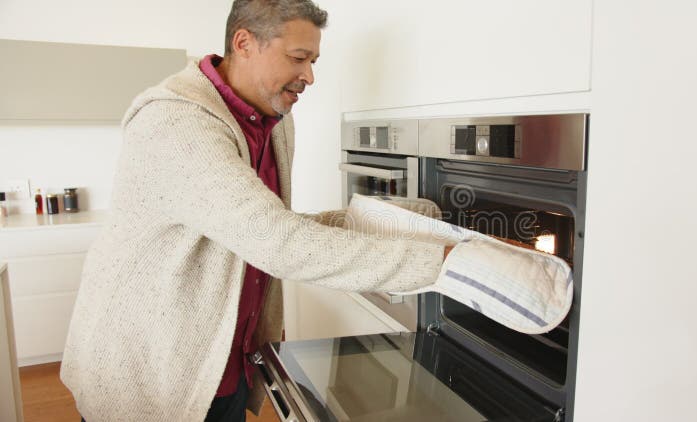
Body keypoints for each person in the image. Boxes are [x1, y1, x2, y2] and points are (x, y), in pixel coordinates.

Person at [60, 1, 446, 421]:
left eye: (313, 61)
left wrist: (386, 220)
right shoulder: (176, 122)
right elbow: (278, 243)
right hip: (152, 374)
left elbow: (263, 226)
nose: (310, 76)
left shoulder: (274, 121)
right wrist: (447, 264)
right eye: (298, 58)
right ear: (243, 42)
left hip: (228, 363)